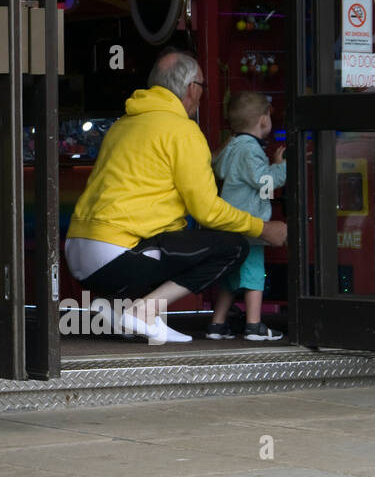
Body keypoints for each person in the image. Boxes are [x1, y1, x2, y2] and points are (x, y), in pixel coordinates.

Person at [64, 50, 288, 344]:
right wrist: (263, 228)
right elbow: (208, 211)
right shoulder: (183, 130)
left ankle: (131, 316)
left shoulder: (122, 125)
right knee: (232, 248)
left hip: (77, 253)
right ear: (192, 88)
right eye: (203, 87)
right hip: (117, 254)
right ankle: (144, 311)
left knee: (176, 234)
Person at [208, 91, 286, 341]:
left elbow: (218, 170)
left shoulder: (231, 146)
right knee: (254, 274)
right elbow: (264, 183)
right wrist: (281, 166)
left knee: (230, 277)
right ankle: (254, 325)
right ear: (264, 121)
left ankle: (217, 325)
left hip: (230, 224)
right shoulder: (251, 149)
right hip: (250, 226)